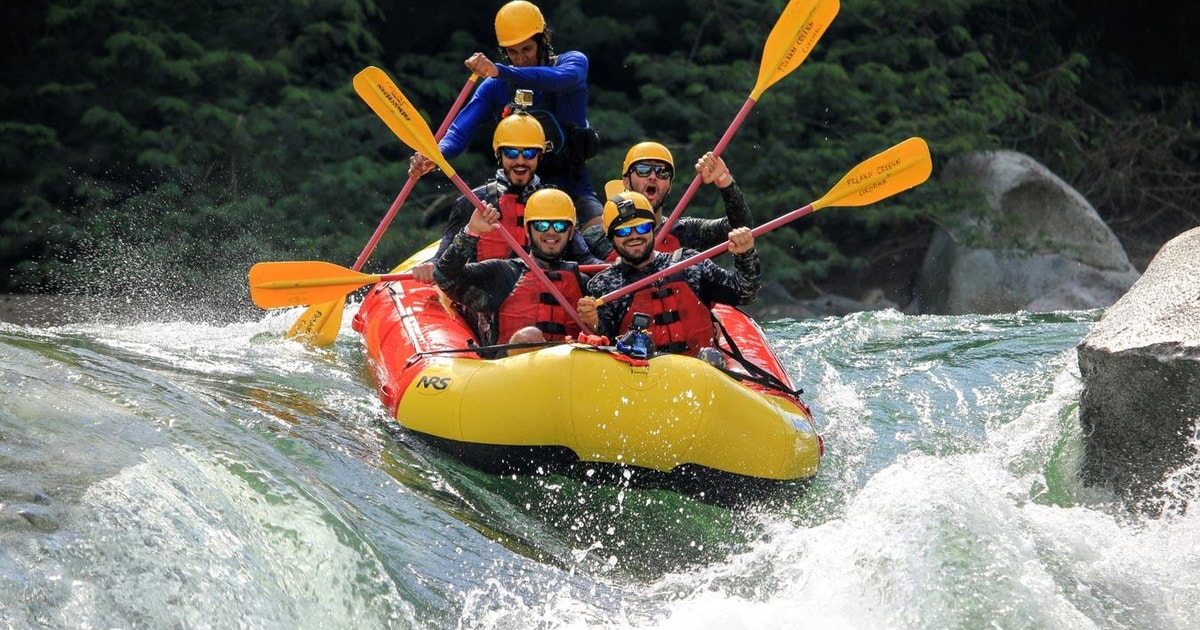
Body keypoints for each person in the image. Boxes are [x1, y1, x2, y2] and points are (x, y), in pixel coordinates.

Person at [409, 1, 604, 229]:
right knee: (464, 211)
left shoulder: (572, 63)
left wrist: (501, 70)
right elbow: (458, 132)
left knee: (600, 236)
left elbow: (561, 78)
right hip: (513, 195)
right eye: (513, 52)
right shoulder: (495, 86)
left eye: (527, 49)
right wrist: (434, 155)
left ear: (544, 40)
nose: (520, 59)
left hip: (573, 192)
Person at [412, 110, 600, 282]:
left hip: (539, 298)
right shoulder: (471, 202)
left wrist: (617, 267)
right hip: (485, 303)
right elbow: (443, 257)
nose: (520, 161)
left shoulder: (556, 202)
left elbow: (584, 259)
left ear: (540, 156)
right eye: (511, 153)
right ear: (499, 155)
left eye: (529, 153)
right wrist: (431, 264)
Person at [577, 191, 761, 357]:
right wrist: (593, 322)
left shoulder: (689, 264)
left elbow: (744, 292)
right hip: (642, 381)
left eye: (641, 228)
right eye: (624, 231)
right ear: (611, 238)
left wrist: (745, 254)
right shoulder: (604, 285)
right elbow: (605, 340)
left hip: (703, 373)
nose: (634, 236)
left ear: (652, 229)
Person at [434, 188, 589, 356]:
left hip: (569, 374)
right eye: (541, 225)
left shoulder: (583, 283)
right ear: (528, 231)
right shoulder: (501, 274)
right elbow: (444, 278)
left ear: (571, 232)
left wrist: (595, 324)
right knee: (529, 337)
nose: (551, 232)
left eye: (560, 226)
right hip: (510, 374)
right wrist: (471, 232)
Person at [580, 142, 754, 261]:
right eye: (643, 170)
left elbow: (741, 227)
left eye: (662, 172)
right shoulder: (598, 237)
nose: (653, 176)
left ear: (669, 185)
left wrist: (724, 180)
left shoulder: (685, 232)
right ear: (626, 181)